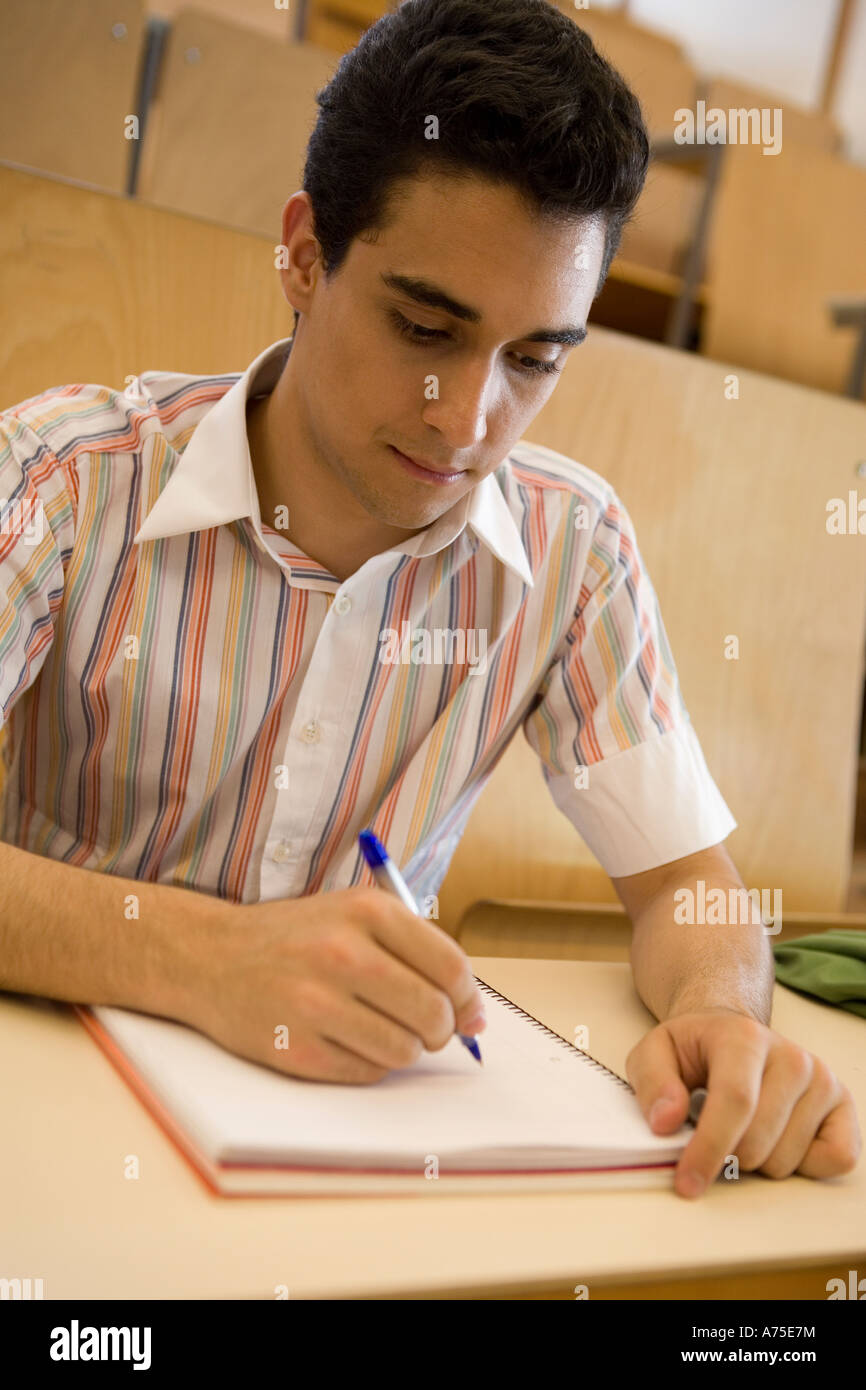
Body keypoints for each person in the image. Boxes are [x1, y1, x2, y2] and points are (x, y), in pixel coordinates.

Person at [0, 0, 858, 1197]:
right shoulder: (62, 479)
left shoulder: (574, 547)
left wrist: (722, 1013)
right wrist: (206, 960)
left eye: (533, 359)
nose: (468, 419)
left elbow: (683, 885)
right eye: (423, 326)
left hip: (357, 1176)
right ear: (303, 254)